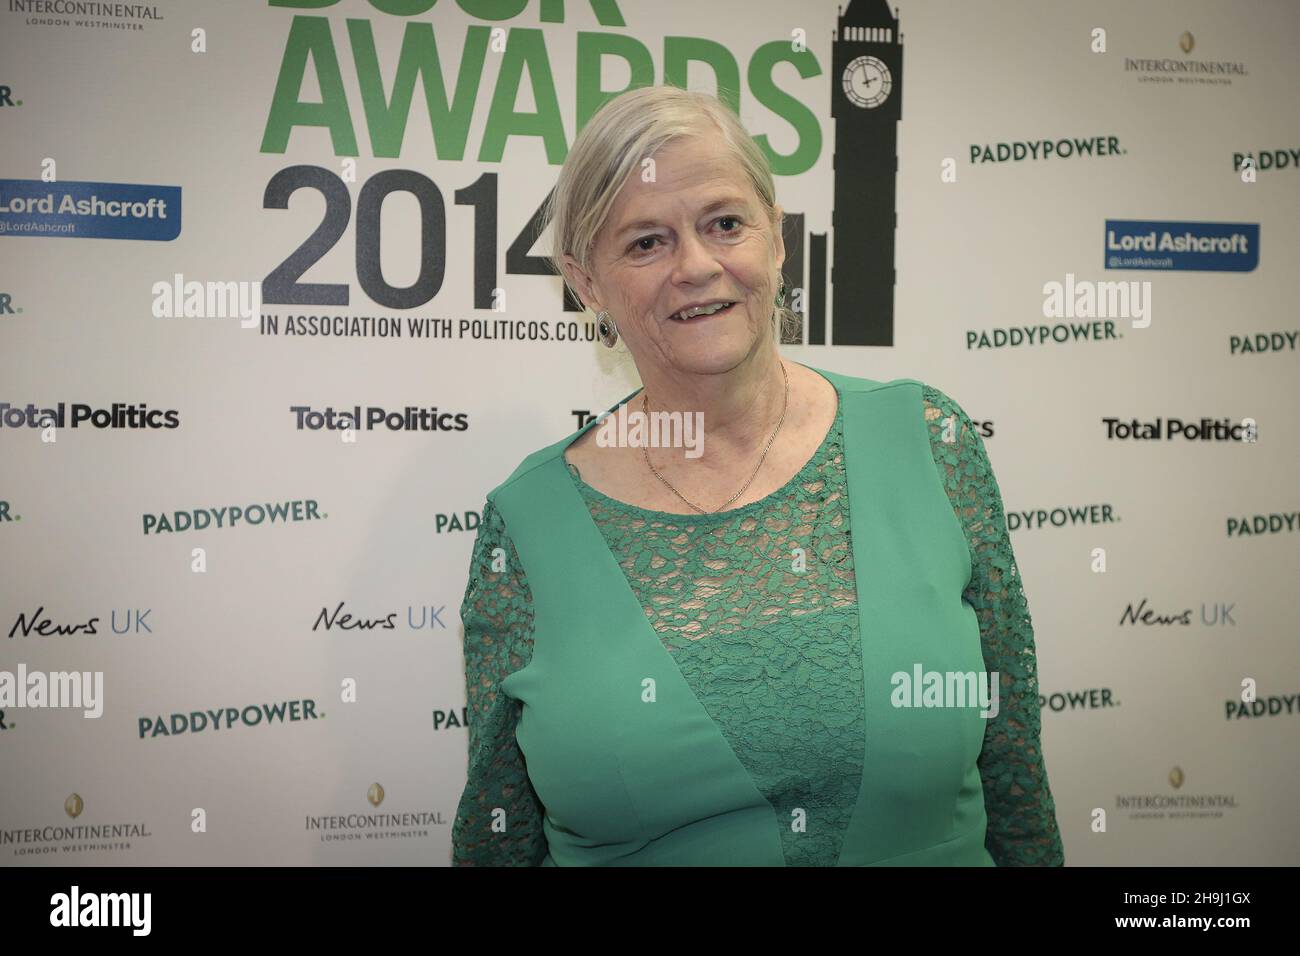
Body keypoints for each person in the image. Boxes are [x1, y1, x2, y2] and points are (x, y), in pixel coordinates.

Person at [451, 85, 1064, 866]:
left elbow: (1014, 782)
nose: (697, 266)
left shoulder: (929, 441)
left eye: (725, 224)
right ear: (586, 283)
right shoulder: (531, 522)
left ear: (776, 239)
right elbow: (496, 836)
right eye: (646, 242)